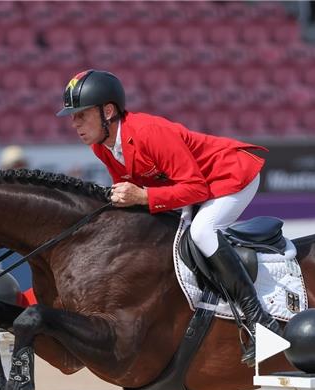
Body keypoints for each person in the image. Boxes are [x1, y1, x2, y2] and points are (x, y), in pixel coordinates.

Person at [56, 69, 275, 365]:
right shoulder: (102, 147)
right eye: (72, 117)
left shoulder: (149, 132)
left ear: (107, 111)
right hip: (192, 188)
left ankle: (261, 322)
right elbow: (131, 195)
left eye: (81, 114)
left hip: (231, 177)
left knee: (201, 232)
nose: (75, 123)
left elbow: (193, 187)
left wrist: (144, 197)